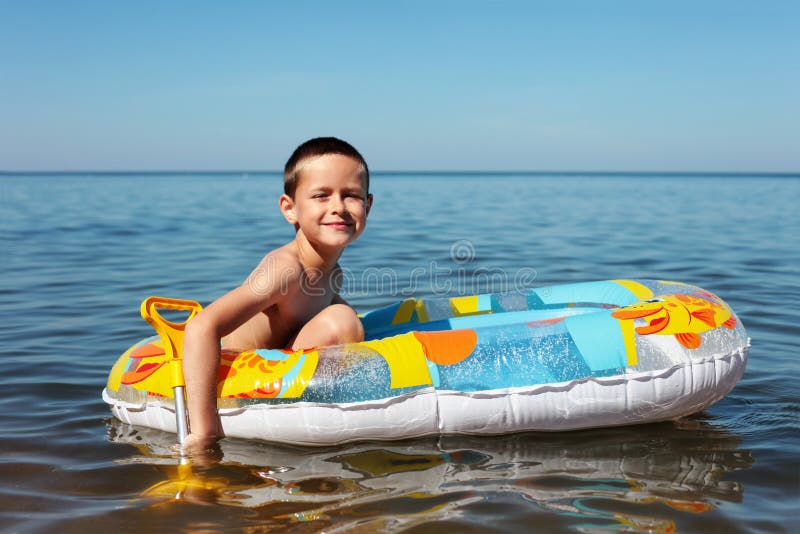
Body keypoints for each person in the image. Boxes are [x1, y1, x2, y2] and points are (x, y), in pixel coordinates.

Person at [181, 137, 373, 450]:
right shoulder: (284, 269)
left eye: (351, 195)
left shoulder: (332, 273)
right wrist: (204, 432)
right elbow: (202, 326)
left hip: (280, 366)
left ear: (368, 204)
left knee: (346, 318)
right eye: (321, 196)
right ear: (290, 209)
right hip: (238, 378)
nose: (338, 207)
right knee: (342, 321)